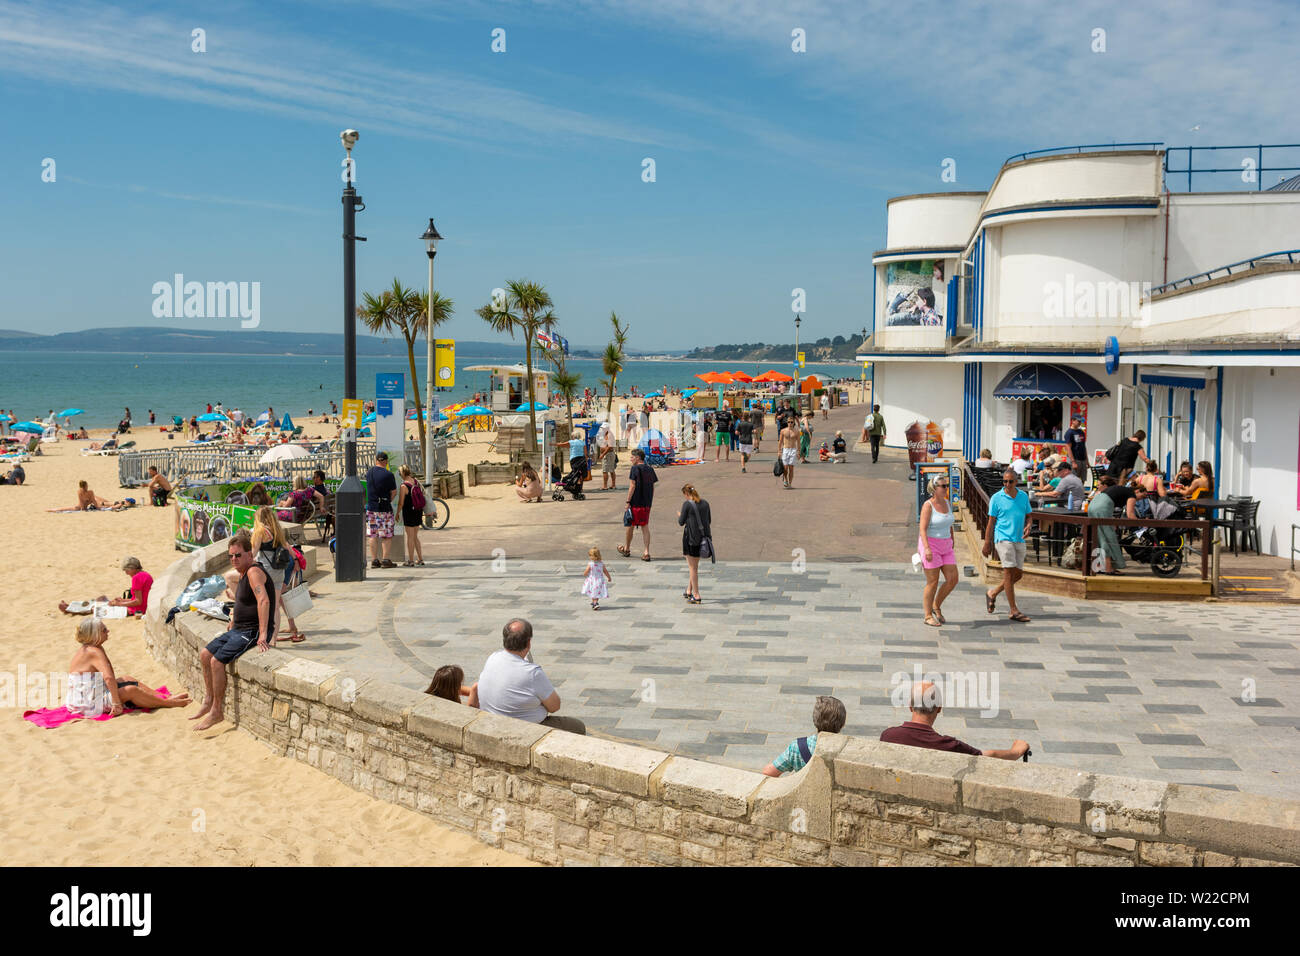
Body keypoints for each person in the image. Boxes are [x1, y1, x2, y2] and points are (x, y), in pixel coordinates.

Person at [191, 533, 274, 731]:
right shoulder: (244, 573)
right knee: (205, 654)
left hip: (251, 631)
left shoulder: (253, 572)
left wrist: (263, 634)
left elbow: (264, 601)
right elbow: (242, 600)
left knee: (216, 662)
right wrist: (234, 617)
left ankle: (217, 711)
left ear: (249, 555)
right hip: (238, 628)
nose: (234, 559)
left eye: (238, 555)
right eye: (231, 556)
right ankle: (209, 699)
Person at [467, 619, 585, 734]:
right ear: (528, 643)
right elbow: (554, 706)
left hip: (493, 721)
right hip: (523, 729)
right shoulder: (532, 672)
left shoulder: (493, 657)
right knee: (577, 726)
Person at [66, 619, 191, 717]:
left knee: (126, 678)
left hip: (87, 694)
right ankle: (168, 703)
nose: (108, 631)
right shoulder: (94, 651)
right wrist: (116, 703)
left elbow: (110, 677)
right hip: (86, 703)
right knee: (131, 690)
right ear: (96, 635)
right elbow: (108, 678)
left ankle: (163, 697)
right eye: (104, 630)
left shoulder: (92, 648)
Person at [881, 682, 1029, 759]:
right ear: (939, 708)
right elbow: (987, 756)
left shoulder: (888, 736)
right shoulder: (949, 746)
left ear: (910, 706)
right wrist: (1015, 751)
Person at [982, 468, 1034, 623]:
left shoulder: (1023, 496)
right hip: (1003, 538)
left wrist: (1029, 525)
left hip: (1018, 538)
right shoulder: (996, 498)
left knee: (1018, 575)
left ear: (1016, 482)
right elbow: (990, 522)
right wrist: (987, 543)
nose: (1007, 484)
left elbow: (1029, 515)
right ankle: (1013, 610)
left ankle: (993, 593)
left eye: (1010, 481)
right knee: (1009, 573)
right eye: (1004, 481)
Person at [250, 506, 303, 642]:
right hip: (279, 572)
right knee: (275, 609)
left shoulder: (260, 531)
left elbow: (254, 553)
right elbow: (288, 547)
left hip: (266, 572)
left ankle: (265, 636)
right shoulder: (277, 531)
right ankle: (273, 639)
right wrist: (296, 560)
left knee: (263, 603)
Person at [761, 696, 847, 777]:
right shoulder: (846, 750)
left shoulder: (797, 747)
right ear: (843, 724)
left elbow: (768, 772)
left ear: (815, 720)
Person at [918, 474, 958, 627]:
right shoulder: (928, 505)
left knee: (953, 579)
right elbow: (922, 528)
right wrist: (926, 548)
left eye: (946, 486)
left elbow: (949, 523)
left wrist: (952, 539)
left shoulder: (947, 503)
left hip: (946, 545)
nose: (946, 488)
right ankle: (928, 615)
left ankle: (936, 605)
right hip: (931, 545)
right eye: (943, 486)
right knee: (933, 582)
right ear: (935, 489)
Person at [1088, 477, 1146, 574]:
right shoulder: (1131, 494)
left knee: (1099, 537)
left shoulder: (1122, 489)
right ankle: (1108, 568)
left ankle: (1098, 566)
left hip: (1093, 505)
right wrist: (1143, 525)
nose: (1140, 499)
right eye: (1143, 496)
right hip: (1102, 507)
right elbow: (1130, 515)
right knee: (1108, 537)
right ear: (1137, 491)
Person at [618, 448, 657, 560]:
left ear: (637, 457)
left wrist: (628, 501)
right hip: (646, 502)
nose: (630, 459)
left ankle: (627, 548)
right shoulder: (650, 469)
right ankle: (646, 552)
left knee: (630, 525)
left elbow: (632, 485)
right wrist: (649, 500)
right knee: (645, 526)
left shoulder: (635, 468)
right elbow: (652, 486)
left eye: (632, 457)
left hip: (635, 502)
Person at [677, 483, 712, 604]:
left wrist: (681, 516)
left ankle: (696, 594)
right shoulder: (705, 503)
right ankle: (689, 590)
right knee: (694, 567)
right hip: (703, 538)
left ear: (686, 494)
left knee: (692, 568)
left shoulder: (687, 504)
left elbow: (681, 522)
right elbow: (709, 520)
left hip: (691, 538)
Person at [365, 451, 399, 569]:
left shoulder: (369, 473)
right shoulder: (388, 475)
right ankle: (385, 559)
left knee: (373, 535)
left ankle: (374, 560)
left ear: (376, 460)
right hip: (384, 508)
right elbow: (394, 492)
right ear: (385, 461)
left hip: (371, 508)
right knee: (386, 535)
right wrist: (388, 500)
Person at [395, 465, 424, 567]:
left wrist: (397, 513)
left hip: (409, 512)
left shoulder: (404, 486)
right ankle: (420, 559)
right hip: (418, 510)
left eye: (399, 473)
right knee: (415, 536)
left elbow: (401, 503)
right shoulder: (416, 481)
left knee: (410, 537)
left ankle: (411, 561)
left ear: (402, 473)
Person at [580, 546, 612, 610]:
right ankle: (595, 602)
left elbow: (586, 571)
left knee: (594, 592)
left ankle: (595, 603)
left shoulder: (590, 564)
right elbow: (605, 571)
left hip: (592, 580)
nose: (590, 557)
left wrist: (585, 574)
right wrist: (609, 577)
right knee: (596, 592)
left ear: (594, 556)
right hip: (599, 580)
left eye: (590, 556)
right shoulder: (601, 563)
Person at [778, 413, 799, 489]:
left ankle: (790, 483)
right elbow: (780, 442)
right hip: (785, 449)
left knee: (791, 468)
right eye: (788, 422)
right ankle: (785, 480)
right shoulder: (783, 431)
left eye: (791, 422)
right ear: (787, 423)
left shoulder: (796, 431)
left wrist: (798, 452)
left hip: (793, 450)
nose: (790, 423)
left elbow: (798, 442)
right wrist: (779, 451)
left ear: (794, 423)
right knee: (785, 467)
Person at [596, 422, 617, 490]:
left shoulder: (609, 435)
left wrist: (603, 454)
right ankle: (613, 485)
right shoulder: (606, 434)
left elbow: (609, 447)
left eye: (604, 428)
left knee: (605, 470)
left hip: (608, 454)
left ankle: (605, 486)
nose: (603, 429)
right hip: (609, 454)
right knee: (611, 470)